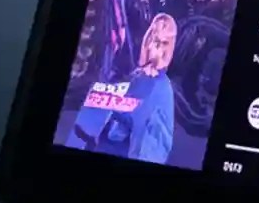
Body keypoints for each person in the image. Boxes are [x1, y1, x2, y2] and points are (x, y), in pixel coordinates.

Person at [67, 12, 178, 165]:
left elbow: (154, 147)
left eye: (162, 41)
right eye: (153, 36)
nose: (155, 44)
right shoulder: (131, 76)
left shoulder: (161, 90)